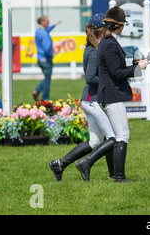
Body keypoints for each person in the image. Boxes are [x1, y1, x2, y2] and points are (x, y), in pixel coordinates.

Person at [75, 6, 148, 183]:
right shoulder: (109, 44)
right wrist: (138, 69)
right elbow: (116, 74)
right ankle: (114, 174)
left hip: (110, 94)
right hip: (112, 94)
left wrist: (134, 64)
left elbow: (115, 69)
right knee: (122, 136)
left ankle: (114, 174)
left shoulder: (107, 42)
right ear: (120, 26)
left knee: (118, 136)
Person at [49, 14, 116, 181]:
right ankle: (90, 165)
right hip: (92, 100)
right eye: (108, 27)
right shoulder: (93, 51)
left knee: (94, 142)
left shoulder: (93, 47)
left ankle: (60, 163)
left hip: (91, 100)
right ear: (102, 30)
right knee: (112, 138)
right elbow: (90, 78)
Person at [32, 15, 61, 101]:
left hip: (40, 59)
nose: (48, 23)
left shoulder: (39, 31)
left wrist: (55, 24)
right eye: (47, 21)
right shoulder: (44, 34)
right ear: (42, 22)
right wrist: (51, 56)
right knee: (47, 79)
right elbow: (47, 47)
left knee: (46, 78)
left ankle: (39, 93)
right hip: (46, 59)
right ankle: (43, 97)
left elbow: (47, 29)